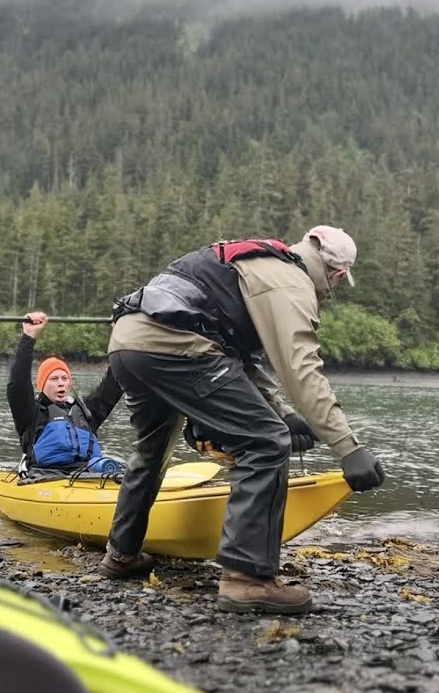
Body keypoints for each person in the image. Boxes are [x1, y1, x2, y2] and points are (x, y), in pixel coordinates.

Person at [99, 226, 387, 615]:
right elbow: (301, 367)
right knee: (266, 444)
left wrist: (284, 414)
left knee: (152, 449)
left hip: (128, 344)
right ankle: (247, 579)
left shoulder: (261, 264)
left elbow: (239, 358)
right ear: (337, 272)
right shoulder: (291, 282)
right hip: (177, 346)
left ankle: (121, 553)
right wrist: (348, 448)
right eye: (338, 281)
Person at [6, 311, 123, 475]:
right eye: (53, 379)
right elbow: (17, 383)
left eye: (64, 378)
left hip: (88, 476)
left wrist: (121, 338)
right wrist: (28, 337)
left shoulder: (86, 411)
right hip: (44, 477)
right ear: (40, 386)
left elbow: (115, 382)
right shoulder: (30, 413)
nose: (61, 383)